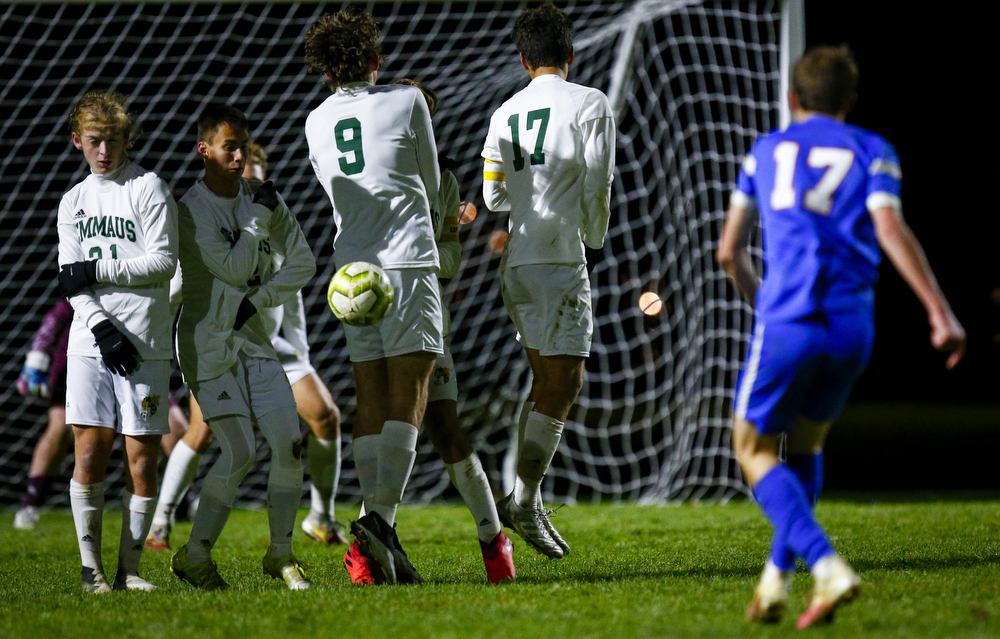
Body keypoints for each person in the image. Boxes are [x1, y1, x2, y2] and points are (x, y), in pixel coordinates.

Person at [716, 45, 966, 628]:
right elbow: (889, 227)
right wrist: (941, 313)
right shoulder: (873, 149)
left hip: (790, 320)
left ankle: (828, 568)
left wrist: (764, 305)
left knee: (751, 449)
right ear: (850, 102)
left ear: (792, 98)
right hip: (852, 328)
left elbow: (729, 251)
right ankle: (776, 583)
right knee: (805, 446)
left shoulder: (767, 149)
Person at [146, 141, 348, 551]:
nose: (247, 182)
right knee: (202, 431)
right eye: (240, 175)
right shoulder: (207, 222)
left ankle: (321, 517)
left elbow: (291, 293)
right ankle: (161, 521)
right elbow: (177, 292)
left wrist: (299, 353)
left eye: (254, 176)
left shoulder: (274, 223)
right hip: (220, 342)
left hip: (272, 346)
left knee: (325, 416)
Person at [304, 9, 443, 585]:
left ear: (324, 70)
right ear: (374, 61)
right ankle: (379, 520)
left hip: (352, 272)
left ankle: (372, 537)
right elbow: (431, 184)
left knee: (369, 394)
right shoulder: (405, 102)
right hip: (406, 261)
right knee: (411, 389)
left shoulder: (314, 121)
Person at [481, 2, 616, 559]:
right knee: (564, 385)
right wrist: (593, 237)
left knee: (545, 381)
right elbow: (599, 181)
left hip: (517, 262)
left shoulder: (504, 113)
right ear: (571, 53)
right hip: (560, 259)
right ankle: (524, 500)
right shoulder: (590, 102)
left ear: (521, 58)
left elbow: (492, 196)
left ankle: (525, 498)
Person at [170, 105, 316, 591]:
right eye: (228, 147)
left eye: (242, 146)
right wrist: (256, 220)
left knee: (290, 443)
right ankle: (194, 555)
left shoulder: (260, 197)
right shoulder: (189, 211)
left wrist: (258, 303)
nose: (238, 156)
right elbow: (233, 269)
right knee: (239, 450)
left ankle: (280, 554)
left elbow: (303, 262)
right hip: (205, 344)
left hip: (251, 339)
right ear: (204, 150)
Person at [387, 78, 515, 584]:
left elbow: (451, 258)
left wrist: (417, 257)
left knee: (443, 427)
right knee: (382, 418)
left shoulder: (442, 180)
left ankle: (492, 538)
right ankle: (376, 542)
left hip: (423, 311)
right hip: (378, 318)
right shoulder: (376, 175)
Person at [57, 90, 179, 593]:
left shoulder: (149, 188)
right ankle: (93, 572)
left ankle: (130, 572)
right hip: (90, 342)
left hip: (145, 342)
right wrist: (101, 326)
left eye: (113, 140)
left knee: (142, 459)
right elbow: (71, 279)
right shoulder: (73, 202)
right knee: (89, 453)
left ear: (128, 139)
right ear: (77, 143)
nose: (104, 151)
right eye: (94, 141)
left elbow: (163, 262)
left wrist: (99, 270)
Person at [15, 299, 189, 531]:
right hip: (83, 361)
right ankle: (30, 505)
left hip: (135, 359)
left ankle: (181, 504)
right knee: (60, 427)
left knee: (175, 429)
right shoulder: (92, 279)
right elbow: (57, 315)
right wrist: (36, 360)